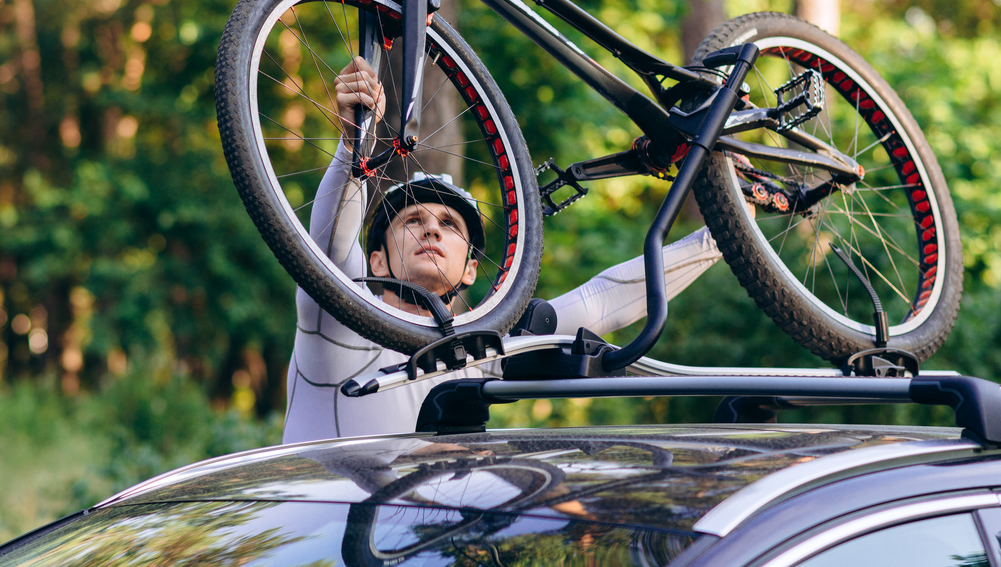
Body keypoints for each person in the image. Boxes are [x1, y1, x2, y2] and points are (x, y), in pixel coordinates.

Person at [282, 59, 722, 444]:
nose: (431, 228)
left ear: (471, 269)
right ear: (375, 261)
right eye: (412, 221)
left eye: (449, 225)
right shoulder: (339, 323)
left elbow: (599, 300)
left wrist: (722, 234)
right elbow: (330, 246)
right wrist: (355, 140)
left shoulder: (476, 351)